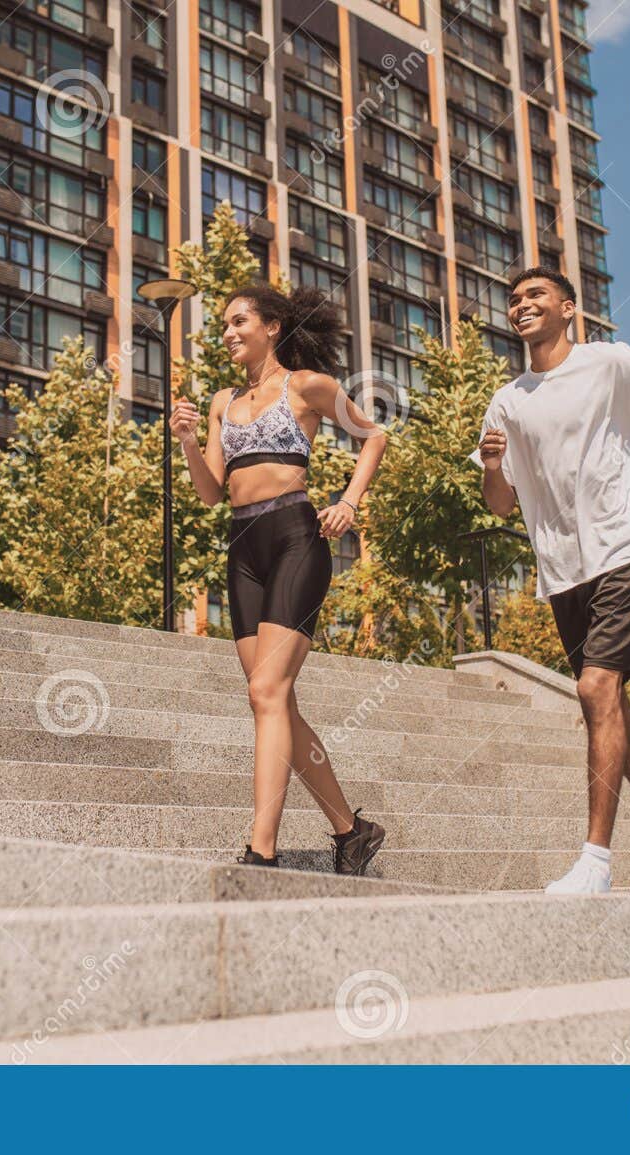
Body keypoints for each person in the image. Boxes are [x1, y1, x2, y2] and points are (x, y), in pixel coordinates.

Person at [469, 266, 630, 898]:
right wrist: (494, 465)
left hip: (626, 543)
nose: (521, 305)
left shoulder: (610, 364)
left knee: (595, 687)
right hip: (563, 570)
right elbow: (499, 504)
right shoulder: (509, 401)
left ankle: (595, 862)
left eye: (535, 296)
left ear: (568, 307)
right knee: (609, 707)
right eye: (514, 299)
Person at [170, 282, 389, 875]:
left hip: (296, 537)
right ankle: (352, 830)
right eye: (223, 325)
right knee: (276, 704)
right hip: (242, 548)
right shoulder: (222, 402)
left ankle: (260, 850)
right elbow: (211, 491)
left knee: (266, 694)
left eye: (240, 320)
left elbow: (375, 436)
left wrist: (349, 501)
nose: (228, 332)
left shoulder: (307, 386)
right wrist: (190, 443)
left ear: (272, 326)